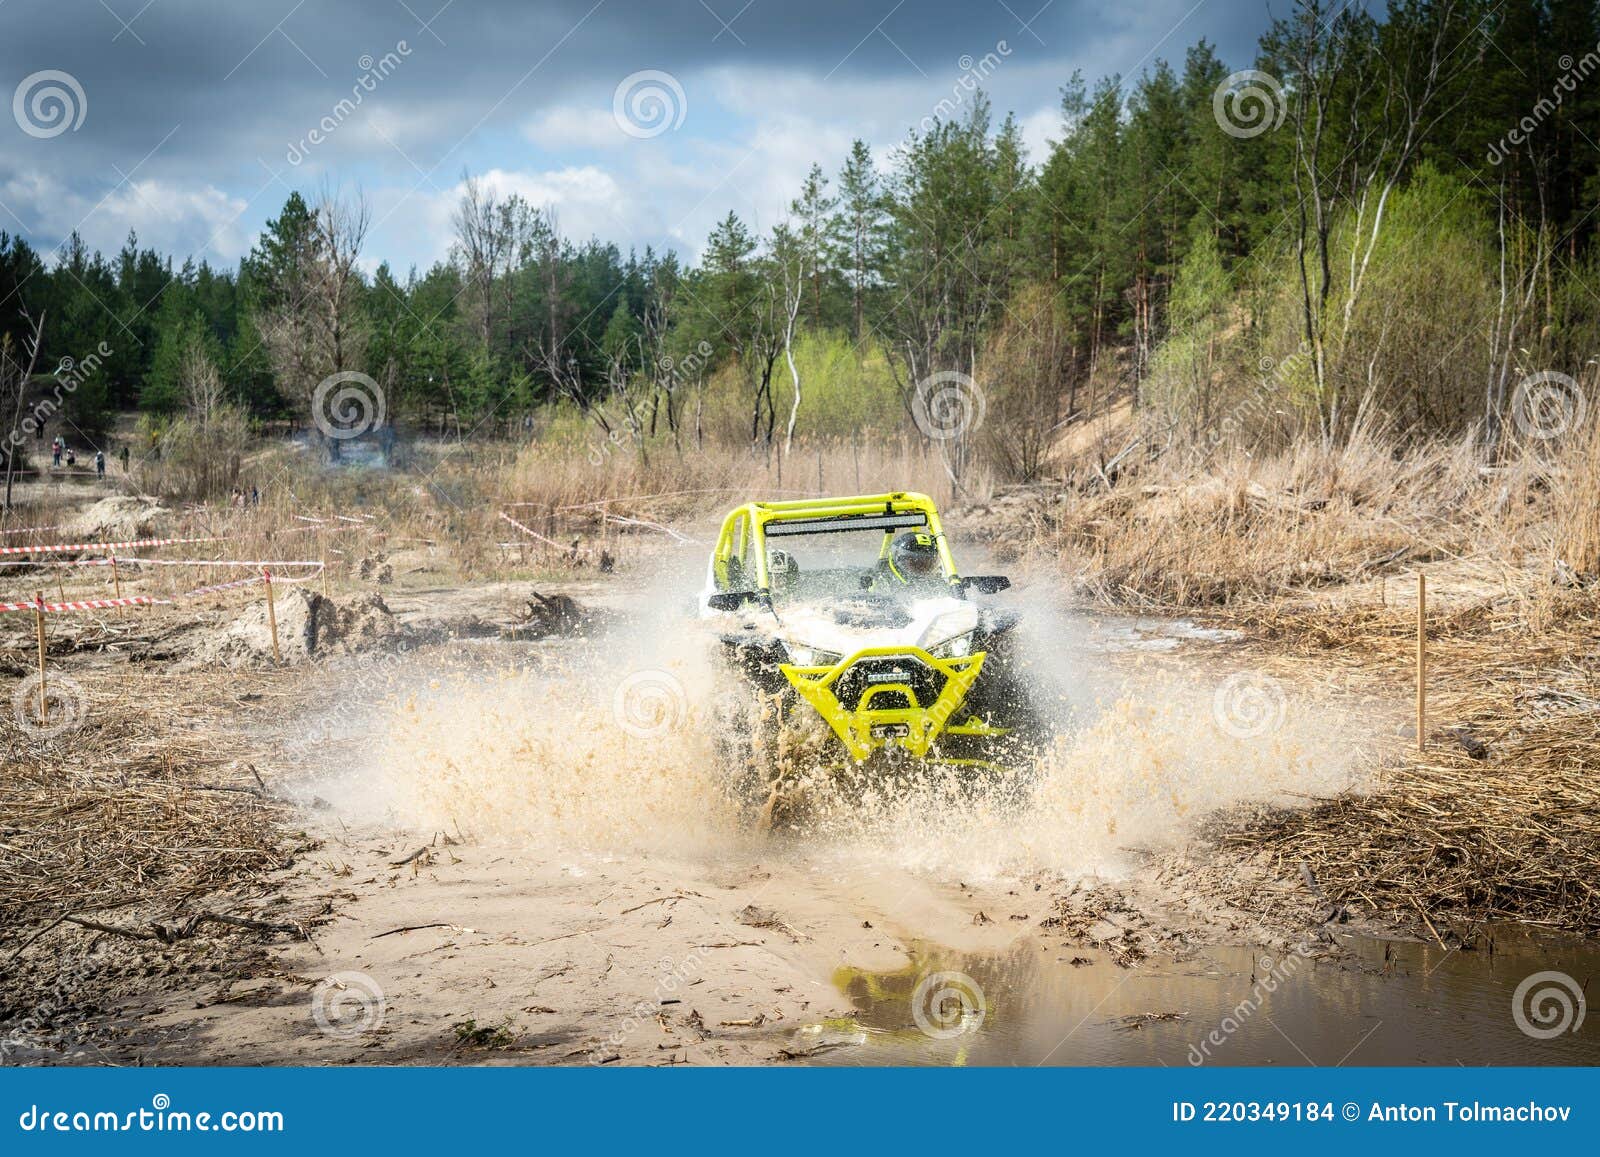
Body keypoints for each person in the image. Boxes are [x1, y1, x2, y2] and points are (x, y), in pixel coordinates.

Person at [873, 530, 947, 594]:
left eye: (926, 563)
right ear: (898, 560)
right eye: (914, 563)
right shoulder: (880, 580)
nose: (920, 568)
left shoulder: (936, 584)